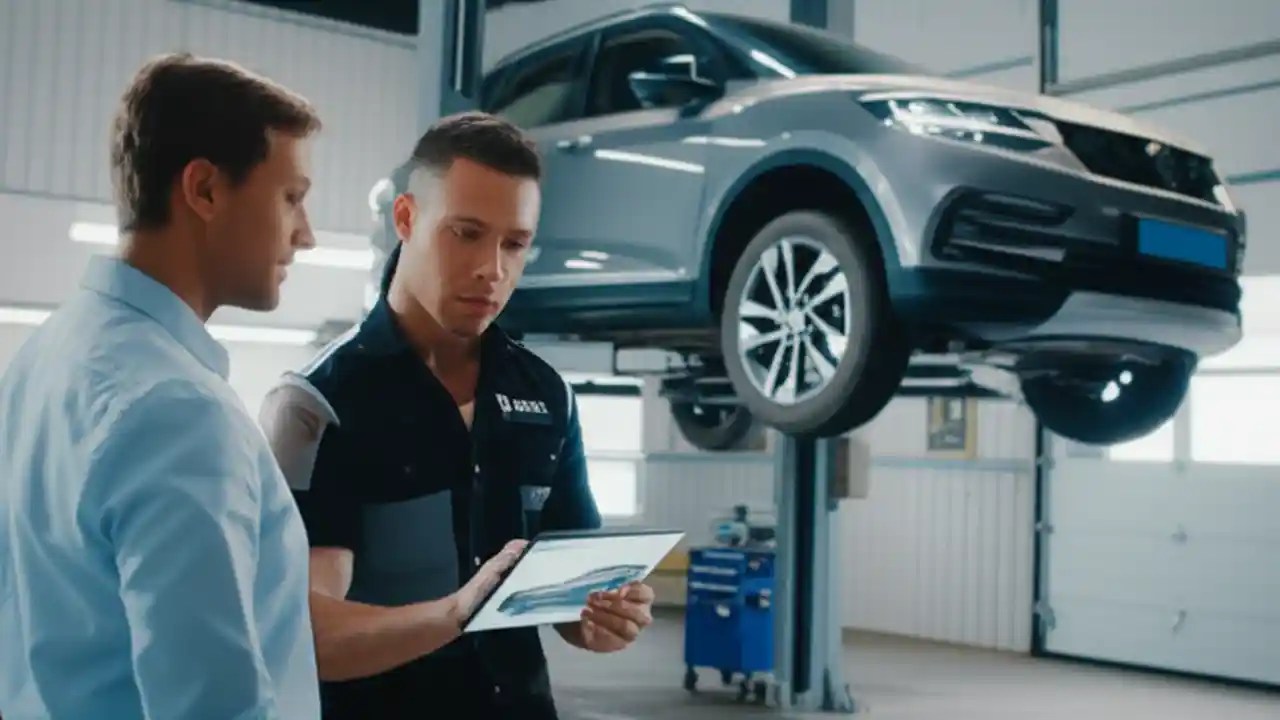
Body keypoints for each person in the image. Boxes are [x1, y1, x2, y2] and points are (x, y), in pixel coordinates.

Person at [258, 112, 656, 720]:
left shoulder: (548, 395)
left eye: (514, 244)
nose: (492, 269)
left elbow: (574, 605)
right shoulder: (313, 406)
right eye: (465, 233)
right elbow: (306, 633)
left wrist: (600, 619)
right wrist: (456, 613)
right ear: (407, 219)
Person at [0, 53, 323, 719]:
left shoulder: (50, 351)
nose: (307, 234)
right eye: (291, 197)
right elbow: (209, 705)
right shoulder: (179, 411)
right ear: (203, 189)